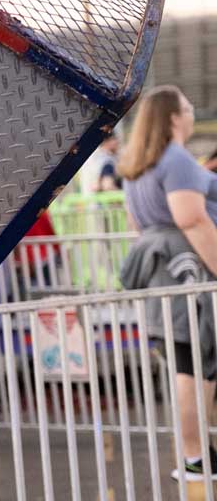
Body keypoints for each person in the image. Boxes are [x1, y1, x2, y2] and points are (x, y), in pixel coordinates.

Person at [117, 85, 217, 481]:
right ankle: (195, 457)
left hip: (166, 266)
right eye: (188, 107)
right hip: (190, 266)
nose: (191, 113)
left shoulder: (141, 163)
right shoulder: (175, 159)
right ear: (174, 117)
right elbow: (191, 217)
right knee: (194, 367)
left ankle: (196, 455)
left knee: (189, 365)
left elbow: (137, 224)